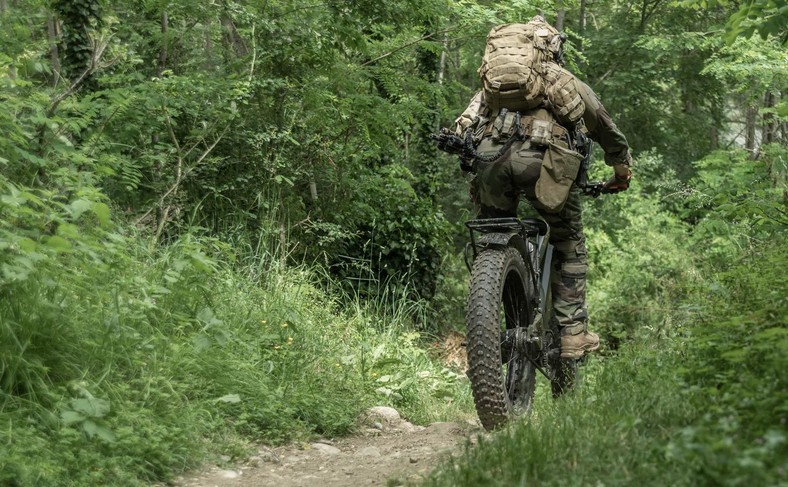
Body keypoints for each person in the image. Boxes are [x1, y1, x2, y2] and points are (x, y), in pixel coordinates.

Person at [450, 16, 632, 359]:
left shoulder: (491, 85)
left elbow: (465, 123)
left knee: (493, 230)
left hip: (491, 159)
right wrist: (621, 168)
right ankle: (573, 333)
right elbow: (604, 126)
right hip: (546, 165)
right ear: (551, 49)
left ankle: (492, 314)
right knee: (567, 241)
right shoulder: (561, 79)